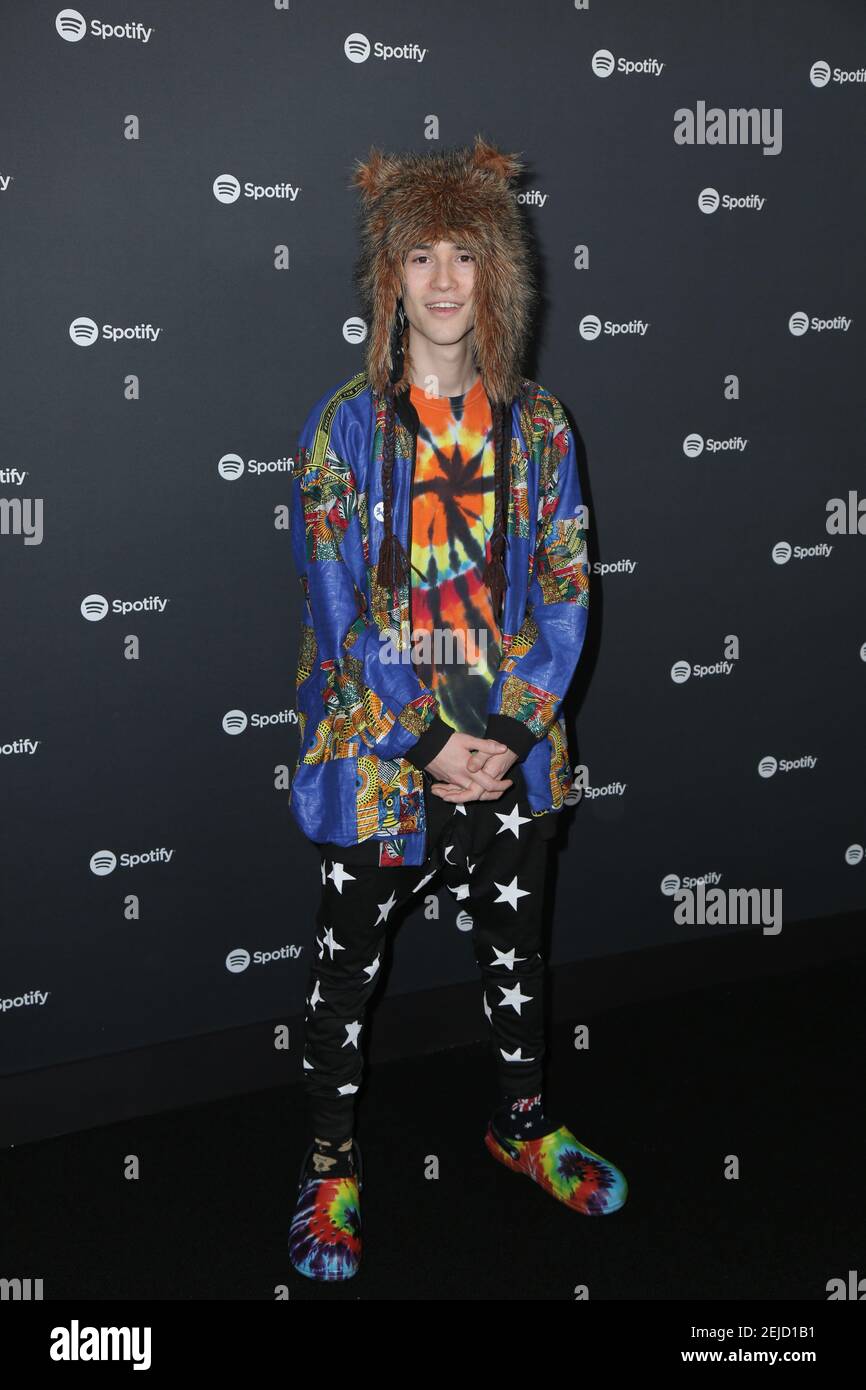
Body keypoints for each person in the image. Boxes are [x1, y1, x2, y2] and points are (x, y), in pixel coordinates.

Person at [286, 134, 627, 1282]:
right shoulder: (343, 428)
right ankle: (331, 1162)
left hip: (514, 756)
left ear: (496, 275)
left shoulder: (539, 427)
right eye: (419, 254)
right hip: (382, 760)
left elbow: (568, 589)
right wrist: (428, 741)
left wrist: (508, 737)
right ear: (389, 276)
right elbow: (340, 619)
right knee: (345, 972)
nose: (441, 280)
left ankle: (520, 1125)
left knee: (514, 951)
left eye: (464, 256)